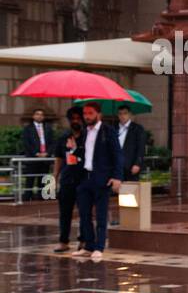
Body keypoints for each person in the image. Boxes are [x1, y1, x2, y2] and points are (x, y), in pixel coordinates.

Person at [73, 102, 123, 262]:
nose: (87, 116)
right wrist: (74, 148)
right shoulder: (83, 132)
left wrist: (117, 177)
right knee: (84, 214)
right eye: (85, 113)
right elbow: (83, 153)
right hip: (84, 178)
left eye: (90, 113)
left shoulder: (108, 131)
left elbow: (117, 155)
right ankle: (88, 245)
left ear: (98, 114)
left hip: (102, 178)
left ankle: (99, 247)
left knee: (101, 214)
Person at [53, 106, 85, 253]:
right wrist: (55, 177)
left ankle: (84, 240)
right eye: (73, 119)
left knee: (85, 211)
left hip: (83, 178)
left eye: (78, 118)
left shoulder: (88, 137)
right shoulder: (63, 137)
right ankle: (63, 241)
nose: (75, 121)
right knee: (65, 212)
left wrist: (76, 149)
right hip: (67, 179)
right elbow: (59, 158)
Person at [19, 108, 52, 199]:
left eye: (41, 114)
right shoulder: (28, 129)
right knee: (30, 180)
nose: (39, 116)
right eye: (37, 114)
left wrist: (47, 153)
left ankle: (41, 199)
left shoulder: (48, 128)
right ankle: (27, 199)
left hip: (45, 159)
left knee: (43, 180)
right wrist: (36, 153)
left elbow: (52, 143)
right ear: (33, 116)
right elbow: (26, 143)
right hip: (32, 159)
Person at [116, 105, 146, 182]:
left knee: (130, 191)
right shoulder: (114, 128)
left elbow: (141, 147)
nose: (122, 116)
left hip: (131, 166)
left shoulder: (137, 128)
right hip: (117, 166)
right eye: (120, 113)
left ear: (130, 114)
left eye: (125, 113)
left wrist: (137, 164)